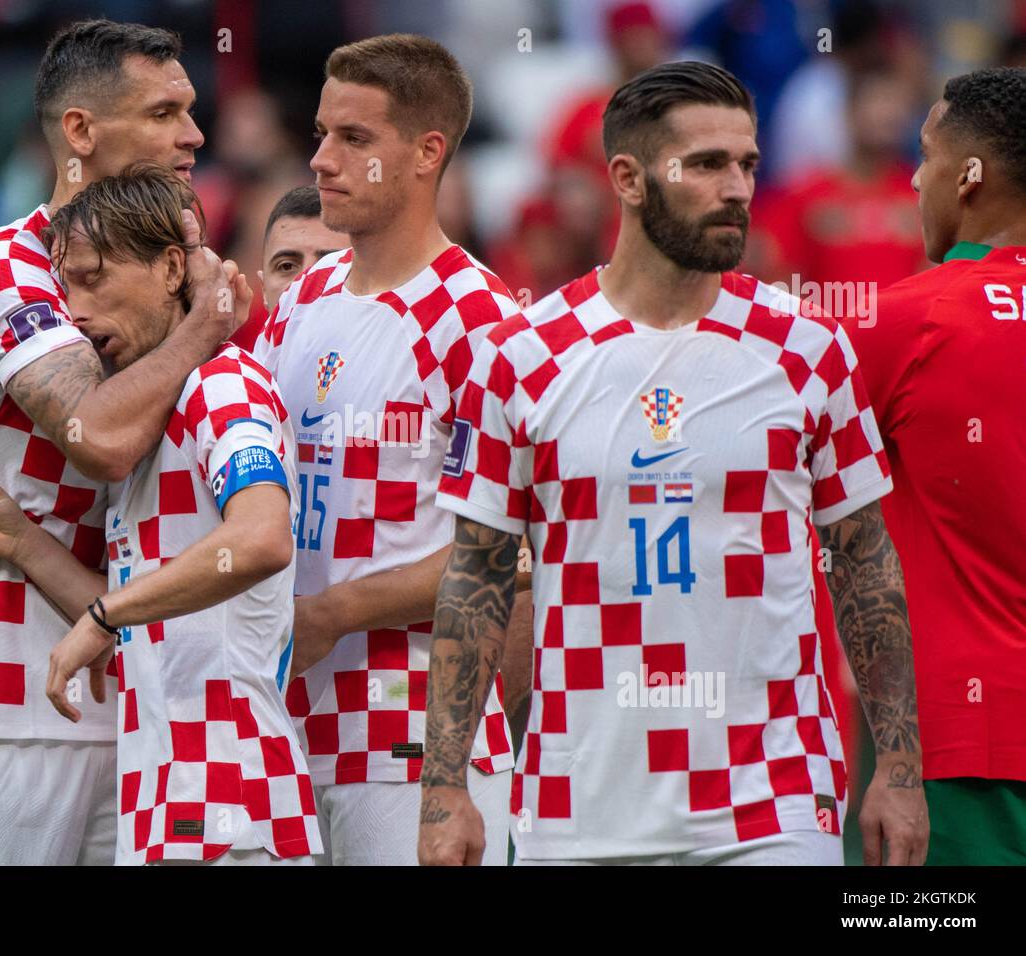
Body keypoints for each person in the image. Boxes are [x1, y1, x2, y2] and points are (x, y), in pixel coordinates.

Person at [418, 61, 928, 867]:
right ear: (626, 178)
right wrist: (444, 787)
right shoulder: (522, 358)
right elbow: (475, 581)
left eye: (749, 164)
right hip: (577, 809)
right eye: (706, 164)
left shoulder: (806, 350)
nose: (737, 188)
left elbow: (866, 568)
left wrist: (898, 768)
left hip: (772, 805)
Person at [0, 20, 251, 866]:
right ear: (81, 132)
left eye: (193, 110)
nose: (194, 134)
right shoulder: (5, 266)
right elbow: (102, 441)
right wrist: (203, 328)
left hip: (143, 708)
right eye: (165, 111)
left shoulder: (182, 272)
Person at [0, 162, 320, 865]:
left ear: (170, 270)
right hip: (167, 805)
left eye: (93, 278)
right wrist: (21, 541)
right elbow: (149, 619)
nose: (71, 309)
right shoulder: (154, 421)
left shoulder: (223, 384)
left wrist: (101, 621)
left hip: (232, 810)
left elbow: (260, 538)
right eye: (63, 285)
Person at [254, 34, 527, 865]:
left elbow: (510, 555)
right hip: (283, 735)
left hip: (412, 746)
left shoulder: (481, 321)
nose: (322, 159)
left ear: (426, 153)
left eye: (354, 139)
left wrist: (331, 614)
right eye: (322, 133)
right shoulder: (299, 301)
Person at [847, 67, 1026, 866]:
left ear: (969, 175)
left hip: (957, 757)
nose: (914, 178)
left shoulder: (905, 321)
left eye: (924, 156)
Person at [259, 185, 349, 313]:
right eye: (287, 266)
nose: (304, 284)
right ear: (264, 290)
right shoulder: (226, 332)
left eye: (329, 265)